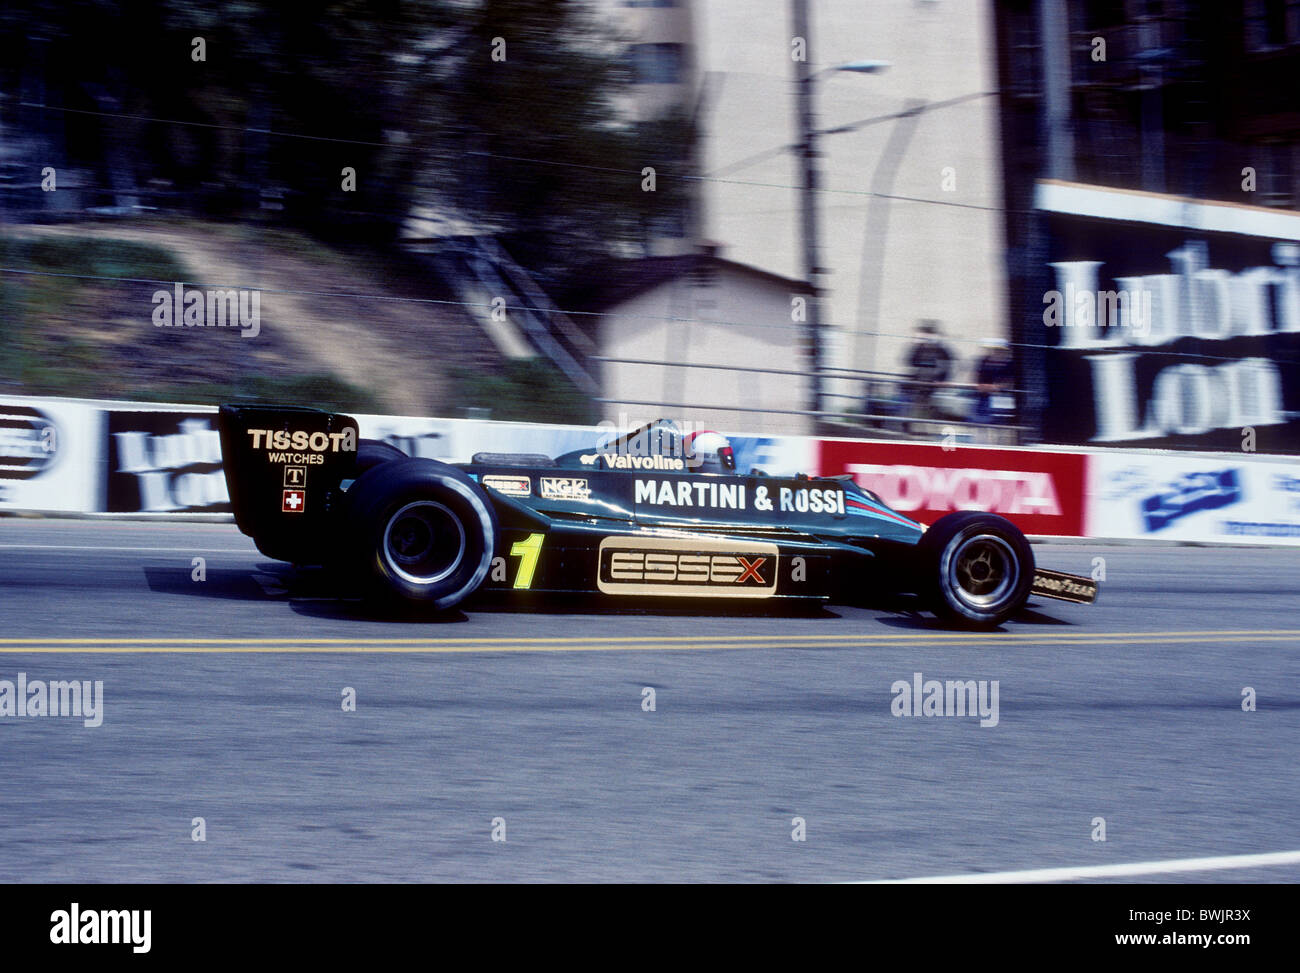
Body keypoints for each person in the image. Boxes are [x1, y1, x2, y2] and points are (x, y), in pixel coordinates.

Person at [902, 320, 953, 421]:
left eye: (929, 333)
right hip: (919, 381)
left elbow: (947, 365)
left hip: (933, 383)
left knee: (930, 406)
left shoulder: (941, 349)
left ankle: (925, 425)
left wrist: (942, 379)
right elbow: (909, 361)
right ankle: (914, 425)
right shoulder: (918, 348)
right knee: (916, 404)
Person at [970, 338, 1016, 425]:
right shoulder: (983, 361)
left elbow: (1010, 381)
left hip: (1002, 397)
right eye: (994, 350)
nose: (996, 352)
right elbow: (976, 377)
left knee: (1000, 422)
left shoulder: (1010, 364)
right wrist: (980, 386)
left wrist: (998, 387)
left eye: (999, 350)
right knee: (979, 422)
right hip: (983, 397)